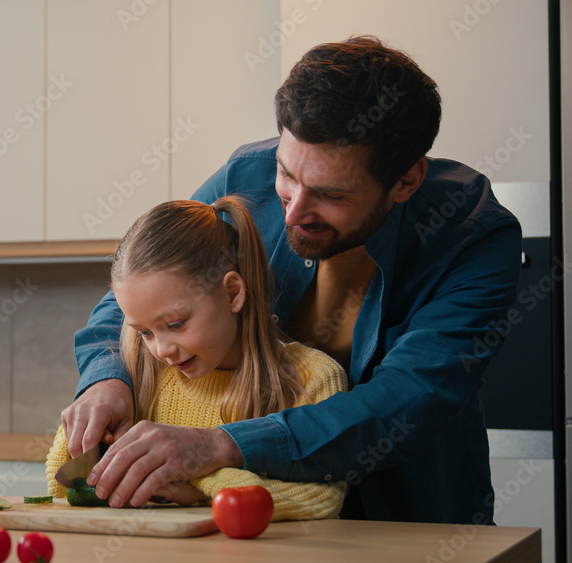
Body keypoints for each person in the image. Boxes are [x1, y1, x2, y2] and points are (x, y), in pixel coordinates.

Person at [62, 36, 522, 524]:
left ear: (406, 180)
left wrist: (220, 445)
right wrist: (106, 378)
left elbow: (408, 401)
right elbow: (146, 288)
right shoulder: (246, 175)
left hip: (409, 520)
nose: (294, 210)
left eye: (329, 194)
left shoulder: (472, 235)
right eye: (287, 174)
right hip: (266, 527)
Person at [46, 197, 347, 519]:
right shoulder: (138, 374)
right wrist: (85, 432)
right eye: (145, 332)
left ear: (232, 293)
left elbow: (322, 498)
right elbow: (59, 485)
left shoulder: (311, 377)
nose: (161, 350)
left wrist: (200, 483)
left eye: (175, 324)